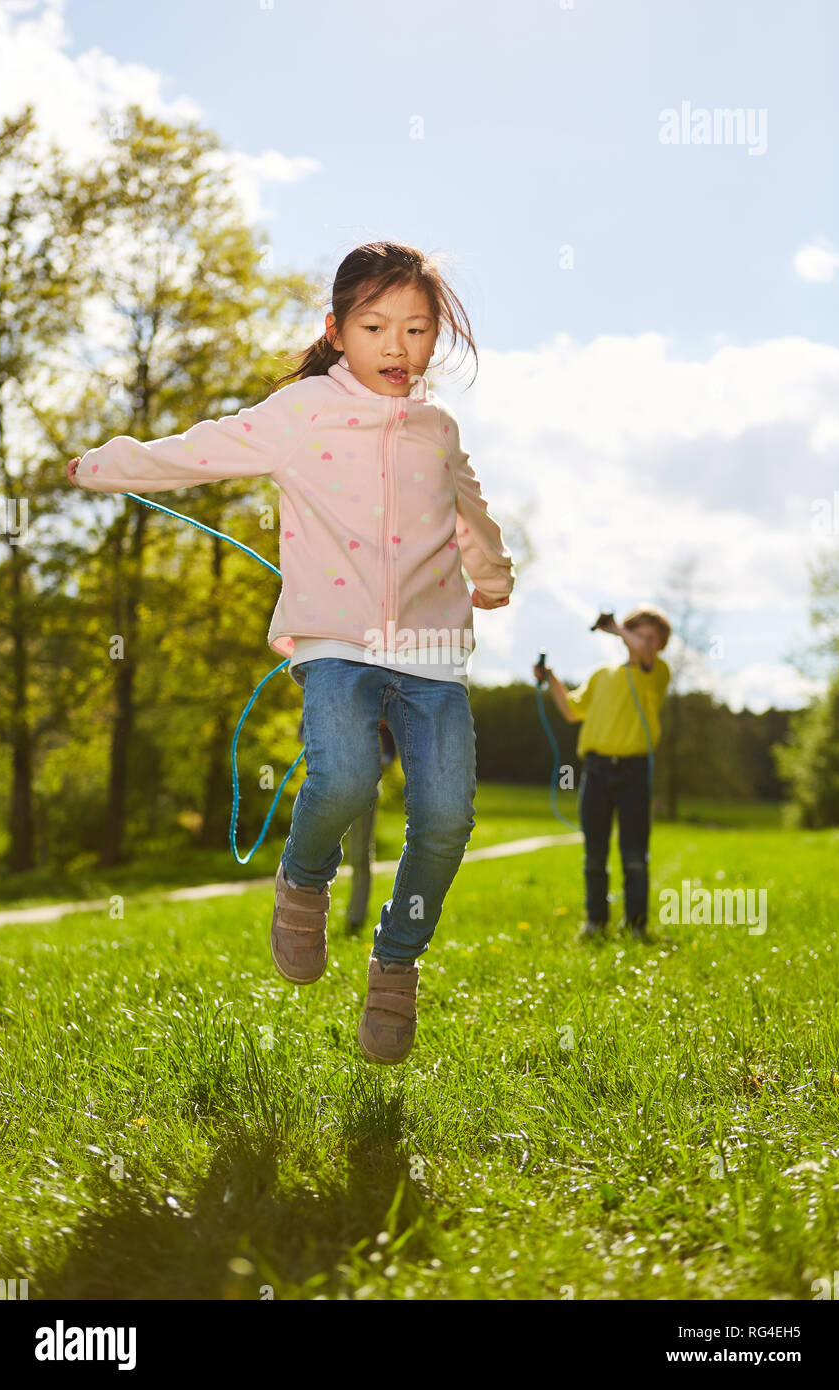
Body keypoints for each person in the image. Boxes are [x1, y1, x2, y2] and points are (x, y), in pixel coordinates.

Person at [68, 240, 515, 1065]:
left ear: (436, 339)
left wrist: (490, 573)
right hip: (336, 640)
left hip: (429, 652)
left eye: (416, 329)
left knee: (447, 818)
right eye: (375, 325)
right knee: (344, 776)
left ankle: (395, 966)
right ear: (338, 330)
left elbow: (470, 512)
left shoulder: (437, 430)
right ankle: (304, 882)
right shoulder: (302, 411)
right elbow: (202, 448)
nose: (397, 346)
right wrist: (111, 465)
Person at [533, 606, 671, 943]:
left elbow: (642, 652)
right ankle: (596, 923)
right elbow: (570, 709)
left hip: (635, 771)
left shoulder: (657, 672)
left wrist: (617, 628)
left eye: (652, 639)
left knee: (634, 855)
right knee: (594, 853)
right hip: (596, 770)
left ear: (660, 647)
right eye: (641, 634)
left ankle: (636, 926)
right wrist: (550, 677)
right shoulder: (602, 674)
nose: (644, 643)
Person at [345, 720, 398, 933]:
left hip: (366, 786)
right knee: (320, 851)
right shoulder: (328, 693)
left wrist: (379, 761)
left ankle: (356, 915)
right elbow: (304, 730)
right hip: (329, 782)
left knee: (359, 853)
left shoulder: (378, 702)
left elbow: (389, 750)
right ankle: (308, 916)